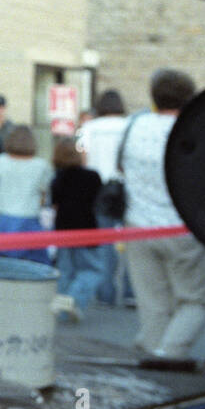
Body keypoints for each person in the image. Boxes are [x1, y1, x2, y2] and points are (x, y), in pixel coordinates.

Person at [120, 69, 205, 358]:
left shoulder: (134, 126)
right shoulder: (195, 131)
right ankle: (171, 354)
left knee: (153, 303)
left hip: (138, 225)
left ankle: (153, 357)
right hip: (182, 227)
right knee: (197, 299)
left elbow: (122, 167)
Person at [78, 88, 135, 306]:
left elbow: (83, 158)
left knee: (104, 242)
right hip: (124, 187)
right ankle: (131, 292)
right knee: (131, 240)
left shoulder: (88, 127)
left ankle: (105, 293)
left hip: (98, 189)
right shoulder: (130, 126)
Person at [0, 125, 53, 264]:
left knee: (1, 262)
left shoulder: (2, 161)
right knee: (34, 263)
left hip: (4, 218)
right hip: (29, 218)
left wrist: (0, 188)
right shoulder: (41, 165)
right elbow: (48, 188)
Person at [50, 139, 103, 323]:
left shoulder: (57, 178)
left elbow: (55, 204)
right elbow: (97, 201)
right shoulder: (92, 176)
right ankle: (73, 299)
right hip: (87, 227)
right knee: (92, 269)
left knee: (65, 270)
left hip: (63, 228)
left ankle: (62, 308)